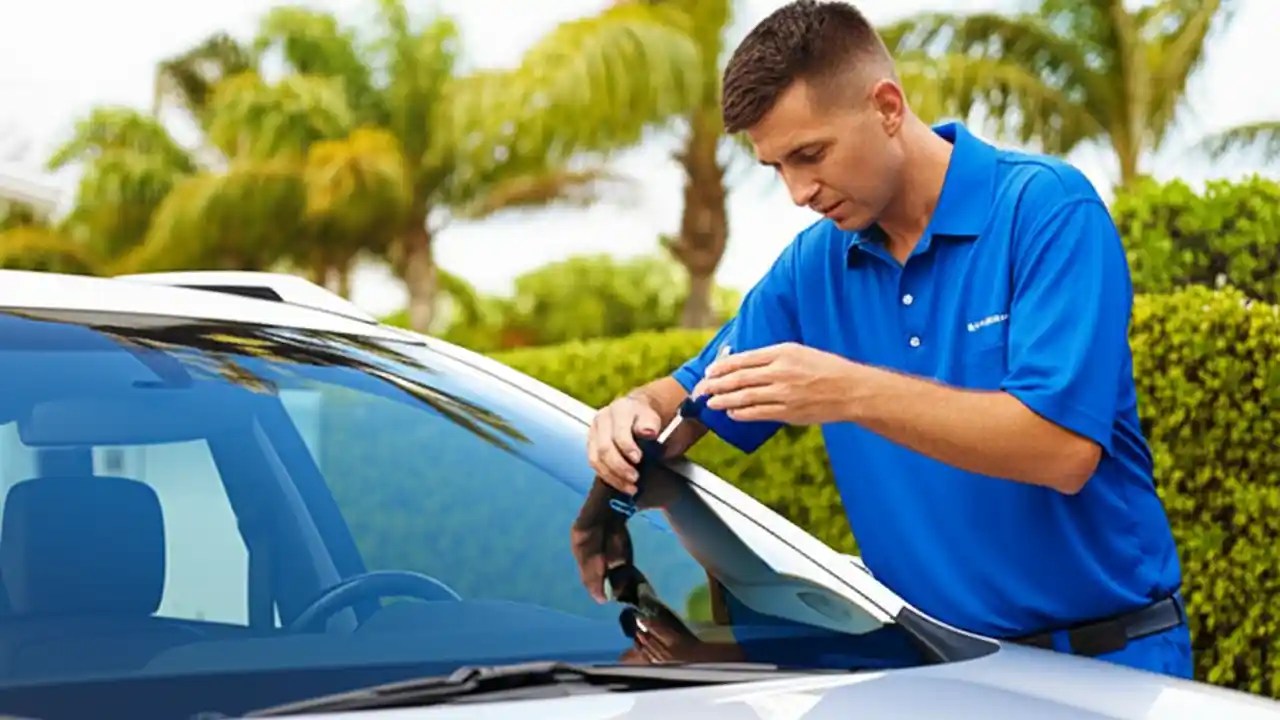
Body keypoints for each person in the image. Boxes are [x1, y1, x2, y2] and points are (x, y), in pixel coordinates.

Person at [572, 0, 1193, 678]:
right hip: (934, 675)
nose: (799, 192)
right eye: (776, 167)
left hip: (1108, 667)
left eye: (810, 155)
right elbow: (691, 396)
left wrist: (846, 392)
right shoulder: (813, 270)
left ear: (888, 107)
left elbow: (1061, 450)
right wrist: (631, 415)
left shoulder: (1045, 210)